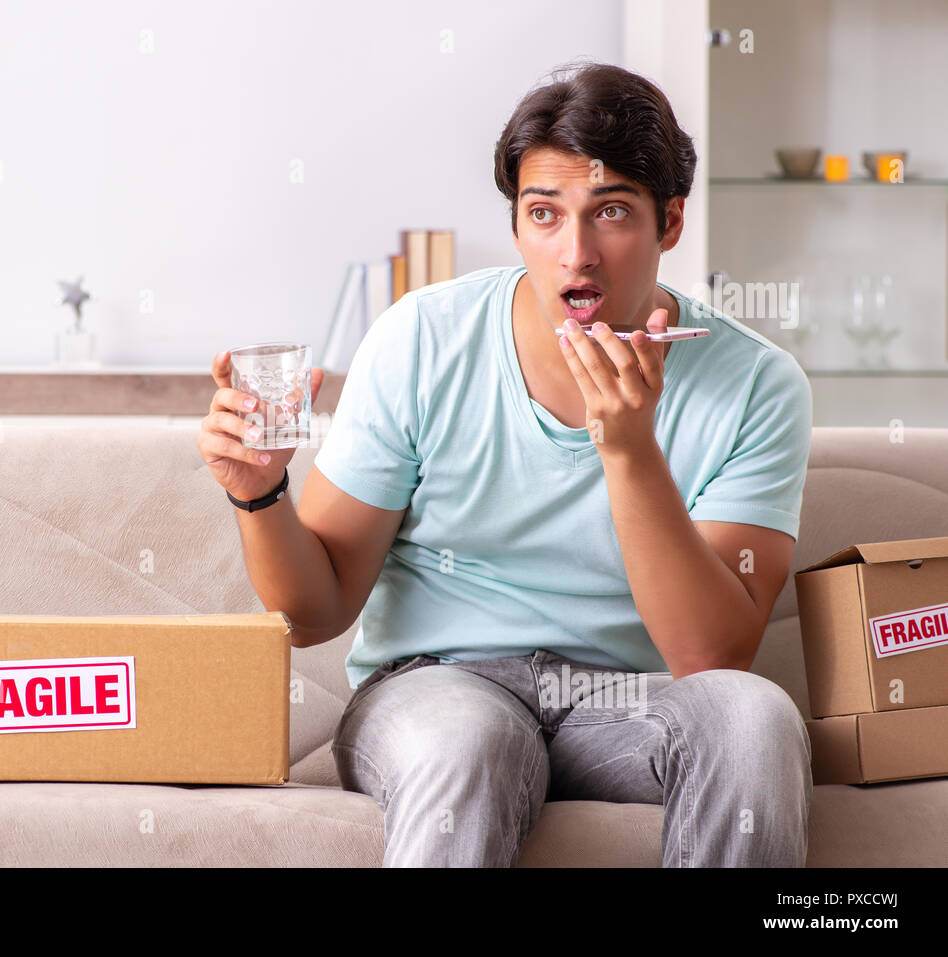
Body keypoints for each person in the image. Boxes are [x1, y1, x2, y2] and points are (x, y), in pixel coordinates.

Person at [197, 60, 814, 868]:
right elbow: (317, 611)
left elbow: (710, 657)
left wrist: (627, 449)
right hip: (435, 687)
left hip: (627, 699)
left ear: (670, 223)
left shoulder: (758, 384)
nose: (576, 253)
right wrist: (262, 492)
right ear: (518, 223)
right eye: (545, 214)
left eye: (613, 212)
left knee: (753, 716)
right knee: (469, 742)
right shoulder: (423, 338)